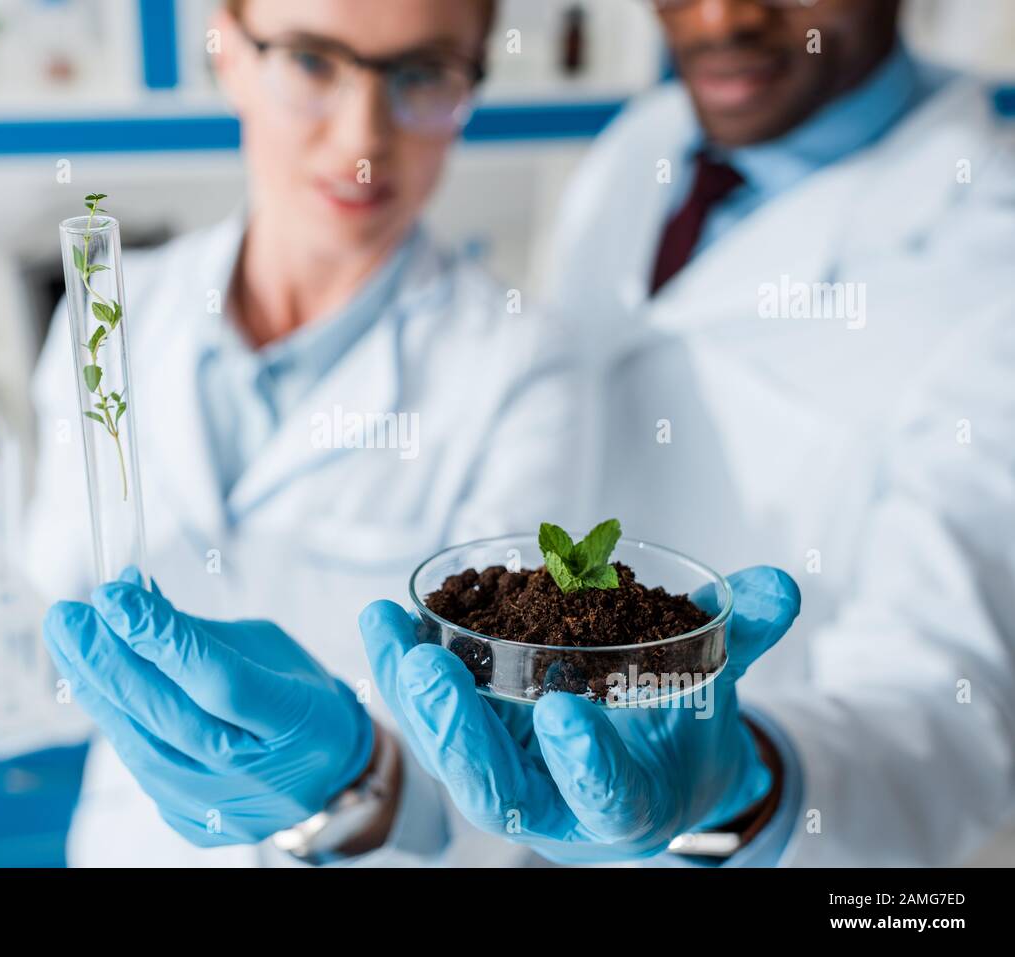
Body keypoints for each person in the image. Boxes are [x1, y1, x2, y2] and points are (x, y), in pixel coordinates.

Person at [0, 0, 591, 866]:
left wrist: (359, 780)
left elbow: (509, 775)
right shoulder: (112, 322)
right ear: (226, 50)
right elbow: (68, 649)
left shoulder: (527, 369)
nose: (364, 135)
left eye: (423, 76)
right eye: (313, 62)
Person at [362, 0, 1015, 866]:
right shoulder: (644, 144)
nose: (716, 19)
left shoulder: (989, 256)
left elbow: (952, 715)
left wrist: (748, 786)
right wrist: (360, 784)